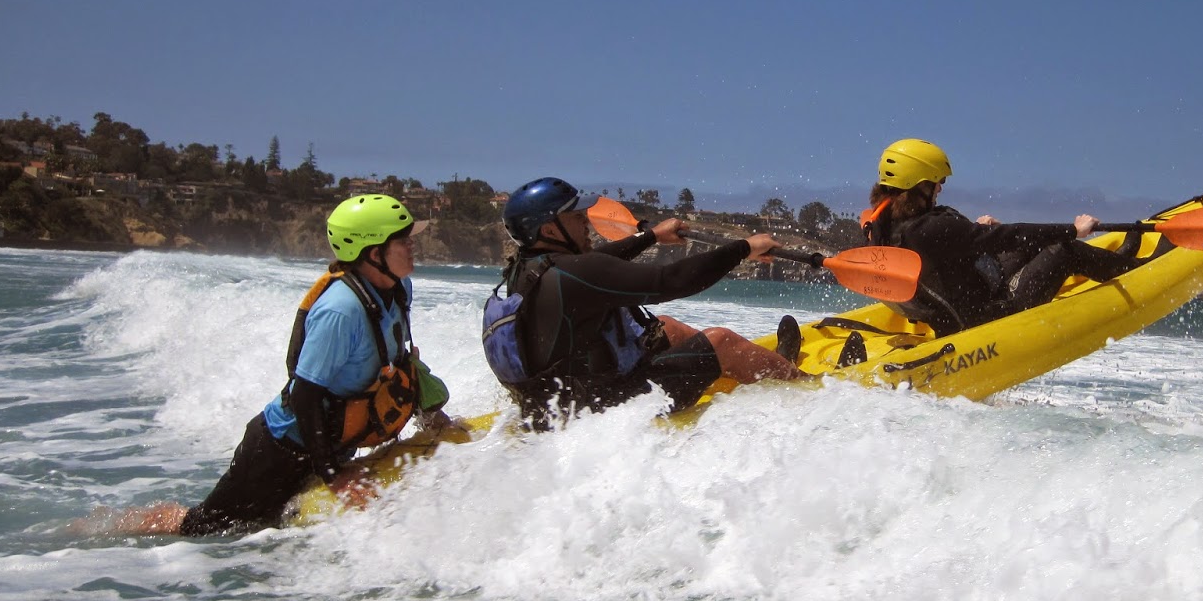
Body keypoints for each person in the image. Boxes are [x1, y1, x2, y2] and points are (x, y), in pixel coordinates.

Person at [98, 194, 452, 536]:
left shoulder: (399, 288)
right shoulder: (341, 312)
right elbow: (305, 395)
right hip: (282, 450)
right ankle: (120, 525)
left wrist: (431, 415)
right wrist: (332, 474)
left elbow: (399, 362)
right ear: (374, 253)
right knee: (203, 529)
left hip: (332, 442)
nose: (413, 245)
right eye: (403, 240)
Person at [483, 177, 804, 427]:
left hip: (555, 408)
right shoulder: (571, 275)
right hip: (603, 414)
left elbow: (596, 262)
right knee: (721, 342)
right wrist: (743, 248)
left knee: (664, 327)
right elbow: (672, 281)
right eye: (577, 216)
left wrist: (652, 236)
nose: (587, 222)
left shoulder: (526, 271)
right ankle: (807, 387)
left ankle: (765, 366)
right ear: (551, 228)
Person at [859, 139, 1142, 336]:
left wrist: (972, 232)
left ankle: (1117, 259)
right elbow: (1009, 235)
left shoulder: (881, 226)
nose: (940, 190)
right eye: (938, 183)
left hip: (962, 302)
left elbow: (944, 251)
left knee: (1025, 248)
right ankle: (1139, 273)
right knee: (1063, 250)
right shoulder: (927, 230)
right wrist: (1073, 230)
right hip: (985, 317)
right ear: (918, 186)